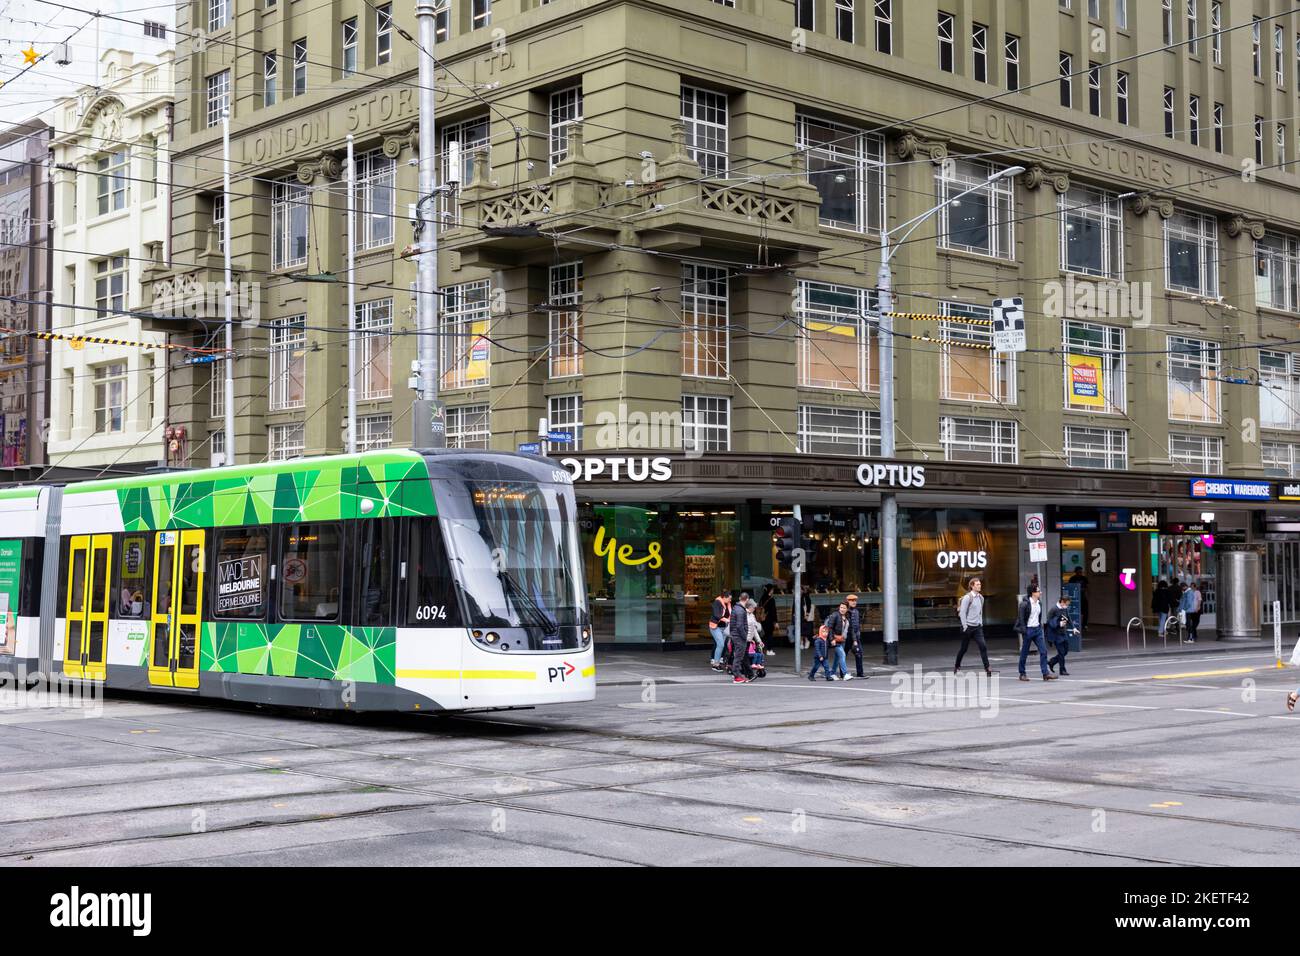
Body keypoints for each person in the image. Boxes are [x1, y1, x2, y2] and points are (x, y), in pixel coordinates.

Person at [1017, 584, 1056, 682]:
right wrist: (1025, 631)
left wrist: (1039, 627)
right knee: (1024, 652)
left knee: (1043, 651)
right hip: (1028, 630)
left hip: (1037, 630)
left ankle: (1045, 673)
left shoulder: (1039, 603)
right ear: (1033, 593)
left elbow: (1039, 617)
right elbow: (1021, 619)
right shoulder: (1024, 604)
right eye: (1038, 591)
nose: (1040, 592)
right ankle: (1022, 673)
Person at [955, 578, 993, 677]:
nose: (979, 586)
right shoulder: (967, 598)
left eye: (980, 584)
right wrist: (965, 627)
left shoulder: (981, 598)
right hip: (968, 627)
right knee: (964, 649)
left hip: (977, 628)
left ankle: (987, 668)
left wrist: (980, 623)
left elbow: (980, 612)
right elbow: (962, 613)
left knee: (983, 646)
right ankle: (957, 666)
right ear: (972, 586)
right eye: (977, 584)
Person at [1046, 594, 1078, 676]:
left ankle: (1052, 662)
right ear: (1062, 602)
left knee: (1065, 651)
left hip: (1063, 633)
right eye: (1066, 604)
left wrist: (1074, 628)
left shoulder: (1065, 609)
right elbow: (1049, 621)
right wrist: (1058, 624)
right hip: (1056, 634)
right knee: (1061, 652)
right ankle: (1062, 669)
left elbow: (1069, 618)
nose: (1067, 606)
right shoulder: (1054, 609)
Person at [730, 593, 752, 683]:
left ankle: (737, 674)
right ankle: (737, 676)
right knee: (739, 657)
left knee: (738, 656)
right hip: (739, 636)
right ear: (747, 599)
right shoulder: (740, 610)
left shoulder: (736, 608)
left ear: (740, 598)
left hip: (736, 635)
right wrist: (744, 636)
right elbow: (739, 626)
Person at [825, 602, 850, 680]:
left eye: (844, 608)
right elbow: (830, 628)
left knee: (837, 657)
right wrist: (831, 639)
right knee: (842, 655)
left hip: (842, 640)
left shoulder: (846, 616)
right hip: (835, 640)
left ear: (847, 609)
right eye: (841, 607)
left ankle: (832, 673)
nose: (842, 609)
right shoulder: (835, 615)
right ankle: (845, 674)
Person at [709, 589, 732, 670]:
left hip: (724, 627)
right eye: (729, 598)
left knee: (722, 645)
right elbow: (716, 615)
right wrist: (726, 620)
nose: (730, 600)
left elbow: (730, 614)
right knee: (720, 644)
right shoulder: (717, 602)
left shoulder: (728, 603)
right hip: (715, 627)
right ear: (724, 597)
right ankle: (715, 664)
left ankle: (718, 660)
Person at [845, 593, 867, 679]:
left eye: (855, 600)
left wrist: (858, 634)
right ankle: (843, 673)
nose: (854, 602)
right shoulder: (846, 611)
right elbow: (850, 627)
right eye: (851, 600)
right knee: (843, 655)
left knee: (859, 654)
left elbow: (857, 625)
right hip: (848, 637)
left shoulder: (856, 611)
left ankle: (860, 673)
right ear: (847, 601)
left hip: (856, 637)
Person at [744, 598, 767, 678]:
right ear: (750, 607)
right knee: (744, 657)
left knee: (746, 657)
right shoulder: (743, 615)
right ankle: (748, 673)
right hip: (743, 639)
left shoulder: (752, 615)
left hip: (749, 640)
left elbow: (754, 630)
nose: (754, 609)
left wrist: (759, 641)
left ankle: (748, 673)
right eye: (754, 607)